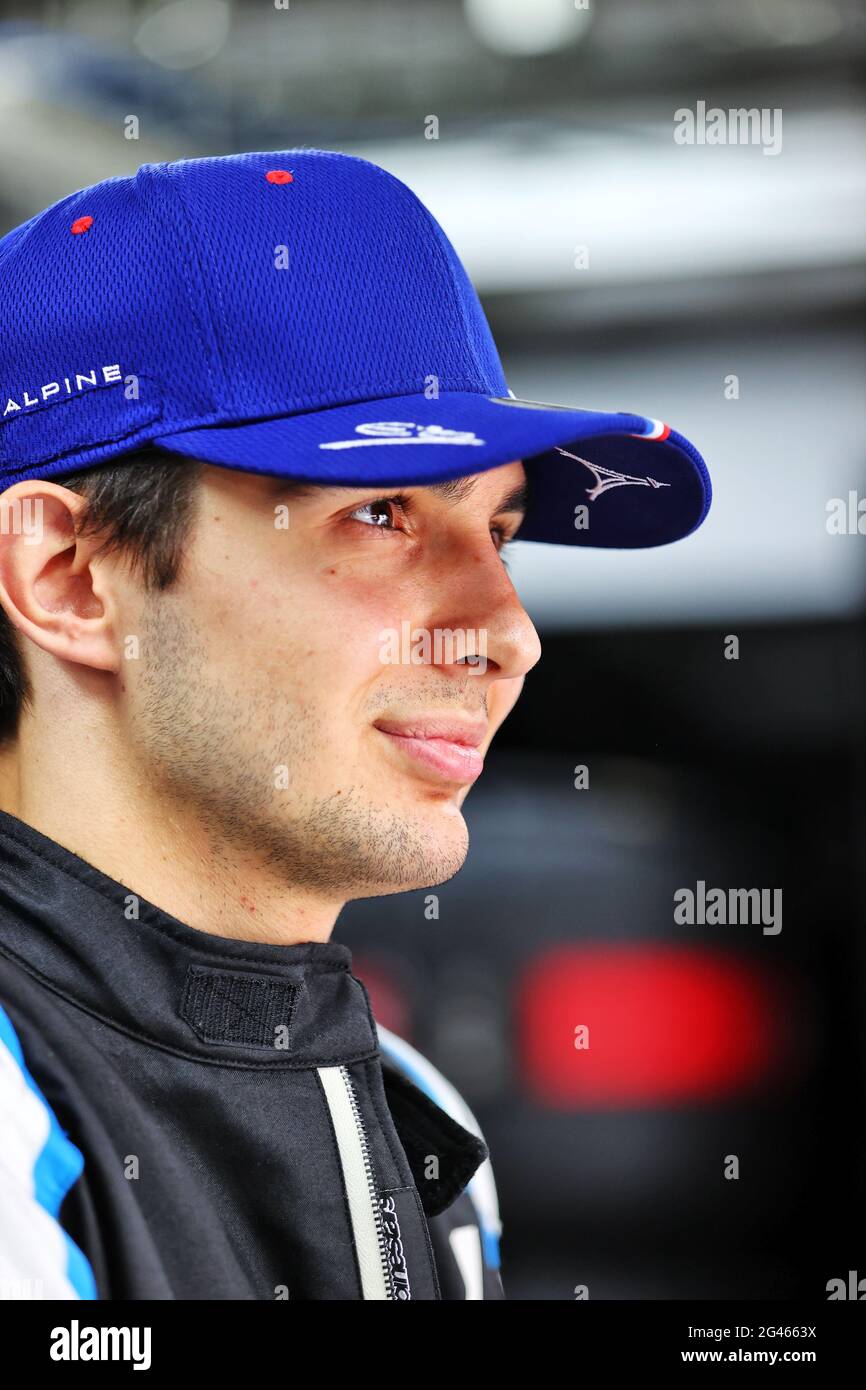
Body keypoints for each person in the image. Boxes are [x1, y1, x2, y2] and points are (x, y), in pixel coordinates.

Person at [0, 149, 711, 1301]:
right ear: (72, 577)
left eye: (500, 532)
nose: (508, 633)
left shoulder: (415, 1120)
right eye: (382, 512)